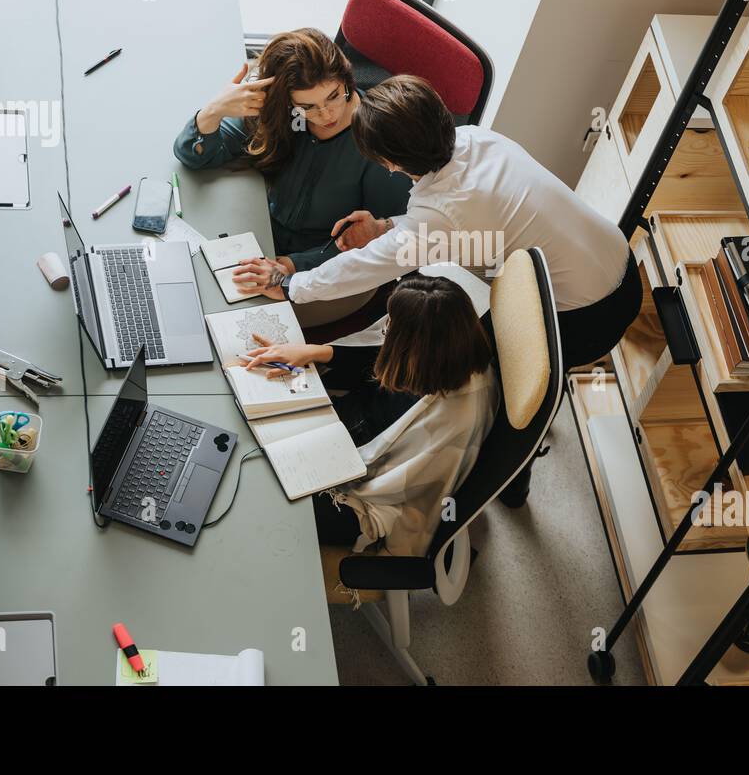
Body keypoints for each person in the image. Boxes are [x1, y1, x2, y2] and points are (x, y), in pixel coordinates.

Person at [233, 74, 641, 370]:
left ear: (389, 163)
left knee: (454, 362)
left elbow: (365, 268)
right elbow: (446, 220)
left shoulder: (442, 213)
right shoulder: (478, 138)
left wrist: (291, 285)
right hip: (623, 261)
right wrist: (385, 227)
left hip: (583, 318)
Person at [241, 274, 499, 555]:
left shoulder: (453, 417)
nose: (384, 331)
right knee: (255, 424)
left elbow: (400, 491)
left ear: (412, 347)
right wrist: (313, 352)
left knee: (259, 487)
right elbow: (373, 350)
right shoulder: (447, 351)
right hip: (355, 425)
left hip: (364, 495)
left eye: (391, 330)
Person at [174, 28, 411, 324]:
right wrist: (213, 111)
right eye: (308, 106)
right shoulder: (290, 117)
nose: (326, 114)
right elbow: (196, 155)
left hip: (328, 269)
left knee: (222, 319)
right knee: (186, 290)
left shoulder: (379, 145)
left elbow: (382, 242)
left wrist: (291, 266)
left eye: (334, 96)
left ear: (346, 77)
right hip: (264, 240)